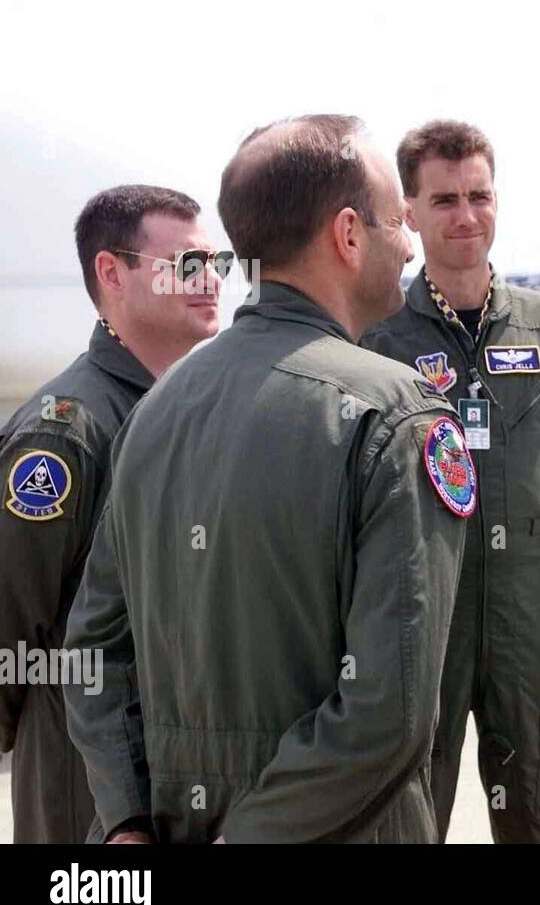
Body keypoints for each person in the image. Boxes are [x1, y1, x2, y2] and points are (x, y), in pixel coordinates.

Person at [63, 114, 468, 843]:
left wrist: (125, 818)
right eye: (394, 223)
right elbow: (388, 713)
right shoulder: (398, 416)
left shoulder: (156, 409)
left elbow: (92, 648)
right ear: (348, 235)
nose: (409, 245)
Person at [362, 120, 540, 843]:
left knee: (538, 809)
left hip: (528, 624)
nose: (467, 216)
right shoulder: (375, 338)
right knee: (408, 813)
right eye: (444, 200)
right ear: (409, 214)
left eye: (479, 195)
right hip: (419, 629)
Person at [0, 184, 224, 843]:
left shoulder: (188, 410)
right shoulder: (67, 430)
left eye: (219, 262)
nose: (209, 279)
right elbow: (11, 619)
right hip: (83, 785)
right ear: (111, 272)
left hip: (179, 771)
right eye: (186, 264)